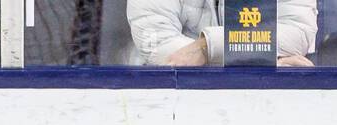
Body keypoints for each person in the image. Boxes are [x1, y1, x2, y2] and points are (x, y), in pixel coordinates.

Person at [127, 0, 317, 65]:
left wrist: (207, 46)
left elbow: (297, 32)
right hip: (175, 103)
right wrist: (261, 62)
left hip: (264, 102)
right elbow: (159, 46)